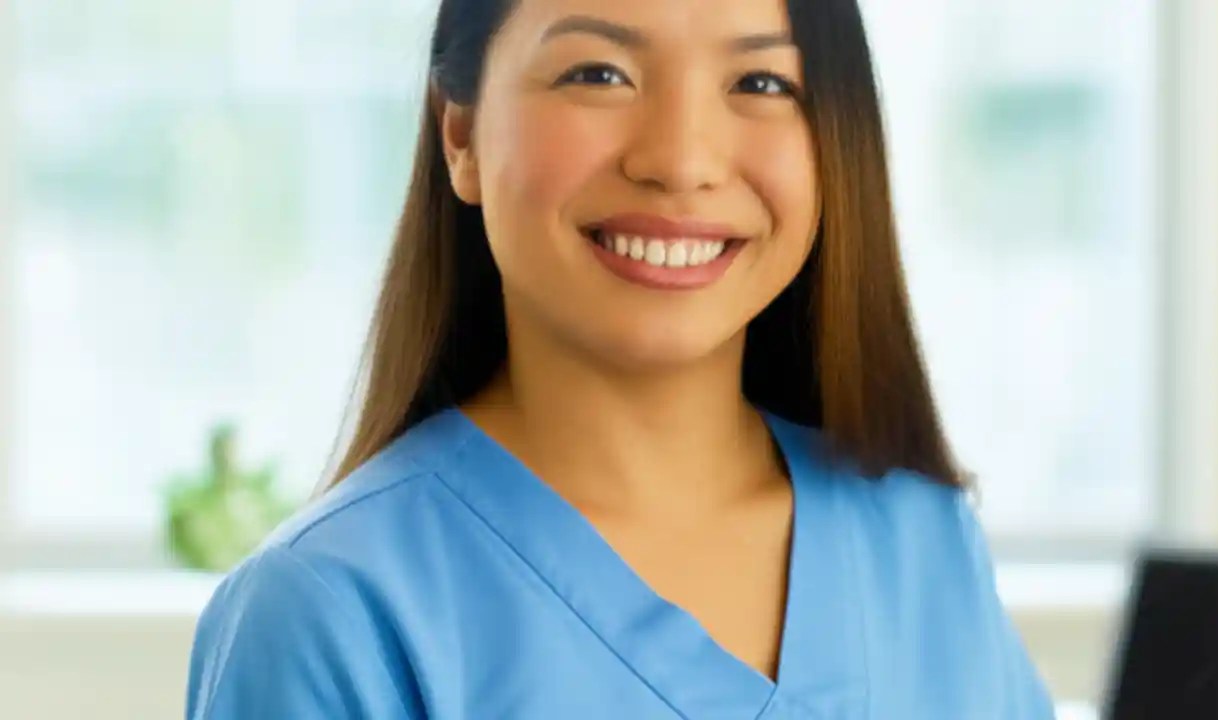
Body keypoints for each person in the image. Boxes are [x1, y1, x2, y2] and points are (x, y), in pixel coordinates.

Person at [185, 0, 1056, 717]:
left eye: (760, 80)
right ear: (460, 133)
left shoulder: (924, 539)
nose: (680, 161)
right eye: (597, 73)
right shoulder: (328, 613)